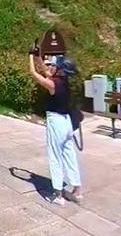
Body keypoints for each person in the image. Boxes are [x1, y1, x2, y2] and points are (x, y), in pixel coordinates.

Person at [27, 50, 83, 206]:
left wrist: (30, 57)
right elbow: (45, 71)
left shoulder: (53, 84)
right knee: (69, 155)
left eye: (53, 66)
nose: (50, 67)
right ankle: (77, 190)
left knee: (55, 156)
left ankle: (58, 195)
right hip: (66, 123)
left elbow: (33, 73)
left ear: (59, 70)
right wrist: (38, 56)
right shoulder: (63, 81)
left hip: (56, 122)